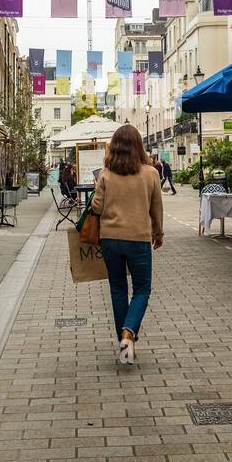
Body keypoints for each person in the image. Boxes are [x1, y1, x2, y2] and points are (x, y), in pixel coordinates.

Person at [89, 125, 164, 365]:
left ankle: (125, 346)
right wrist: (158, 232)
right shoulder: (151, 173)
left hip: (110, 239)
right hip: (139, 239)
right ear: (139, 146)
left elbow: (96, 208)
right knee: (142, 289)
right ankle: (129, 331)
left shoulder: (106, 173)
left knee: (118, 289)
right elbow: (156, 207)